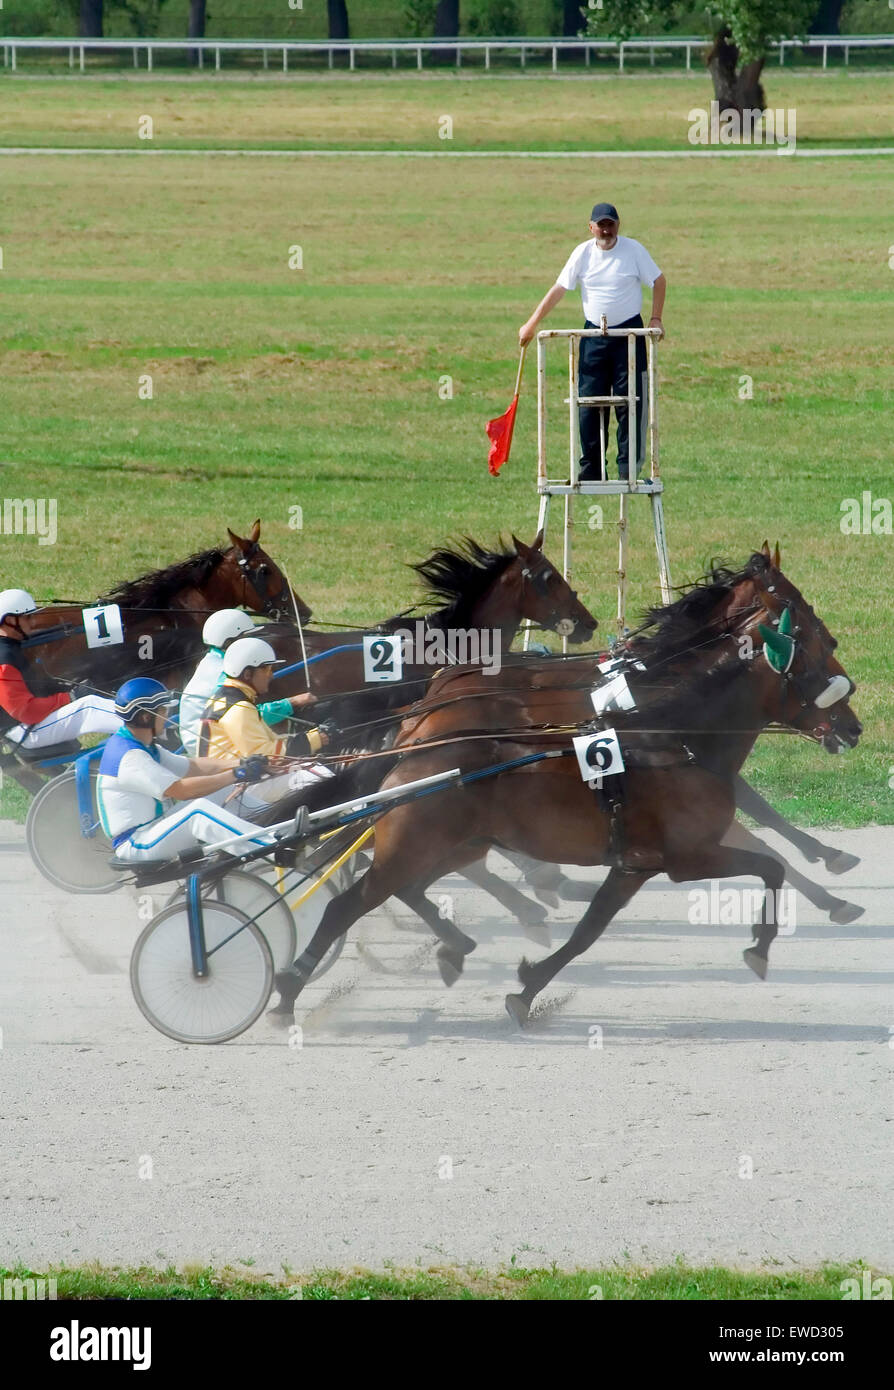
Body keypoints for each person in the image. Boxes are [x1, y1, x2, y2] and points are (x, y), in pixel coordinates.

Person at [519, 202, 666, 482]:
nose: (606, 230)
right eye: (601, 225)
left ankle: (628, 469)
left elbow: (659, 281)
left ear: (618, 225)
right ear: (591, 227)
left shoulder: (633, 250)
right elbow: (559, 289)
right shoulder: (582, 254)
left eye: (611, 224)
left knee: (631, 402)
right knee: (587, 402)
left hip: (629, 337)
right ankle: (592, 468)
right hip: (592, 337)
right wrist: (531, 323)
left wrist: (655, 318)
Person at [97, 678, 284, 866]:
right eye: (163, 711)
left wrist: (242, 762)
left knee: (219, 791)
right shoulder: (131, 756)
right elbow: (182, 791)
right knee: (198, 813)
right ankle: (273, 848)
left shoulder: (142, 745)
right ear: (146, 717)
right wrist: (237, 774)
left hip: (153, 829)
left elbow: (193, 767)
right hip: (137, 844)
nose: (167, 716)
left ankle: (281, 822)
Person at [197, 636, 334, 807]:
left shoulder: (228, 699)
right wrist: (313, 740)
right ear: (247, 674)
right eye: (267, 669)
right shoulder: (239, 708)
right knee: (319, 777)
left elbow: (268, 743)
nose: (272, 675)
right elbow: (267, 756)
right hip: (231, 790)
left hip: (228, 784)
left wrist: (310, 736)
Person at [178, 609, 318, 756]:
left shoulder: (210, 661)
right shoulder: (226, 672)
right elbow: (245, 716)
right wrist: (291, 703)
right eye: (247, 637)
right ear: (229, 642)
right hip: (215, 749)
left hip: (200, 741)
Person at [0, 588, 120, 750]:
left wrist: (71, 688)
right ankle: (141, 723)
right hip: (21, 731)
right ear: (9, 620)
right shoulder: (4, 658)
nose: (33, 623)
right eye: (28, 617)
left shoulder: (12, 649)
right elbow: (25, 711)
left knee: (91, 701)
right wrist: (70, 697)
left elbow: (38, 687)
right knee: (89, 706)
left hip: (31, 725)